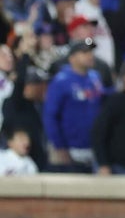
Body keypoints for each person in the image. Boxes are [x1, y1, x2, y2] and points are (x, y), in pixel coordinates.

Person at [43, 38, 106, 167]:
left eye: (91, 52)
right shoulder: (61, 81)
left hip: (92, 147)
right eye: (84, 52)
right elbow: (50, 116)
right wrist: (59, 146)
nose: (90, 55)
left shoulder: (96, 77)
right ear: (72, 57)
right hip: (69, 148)